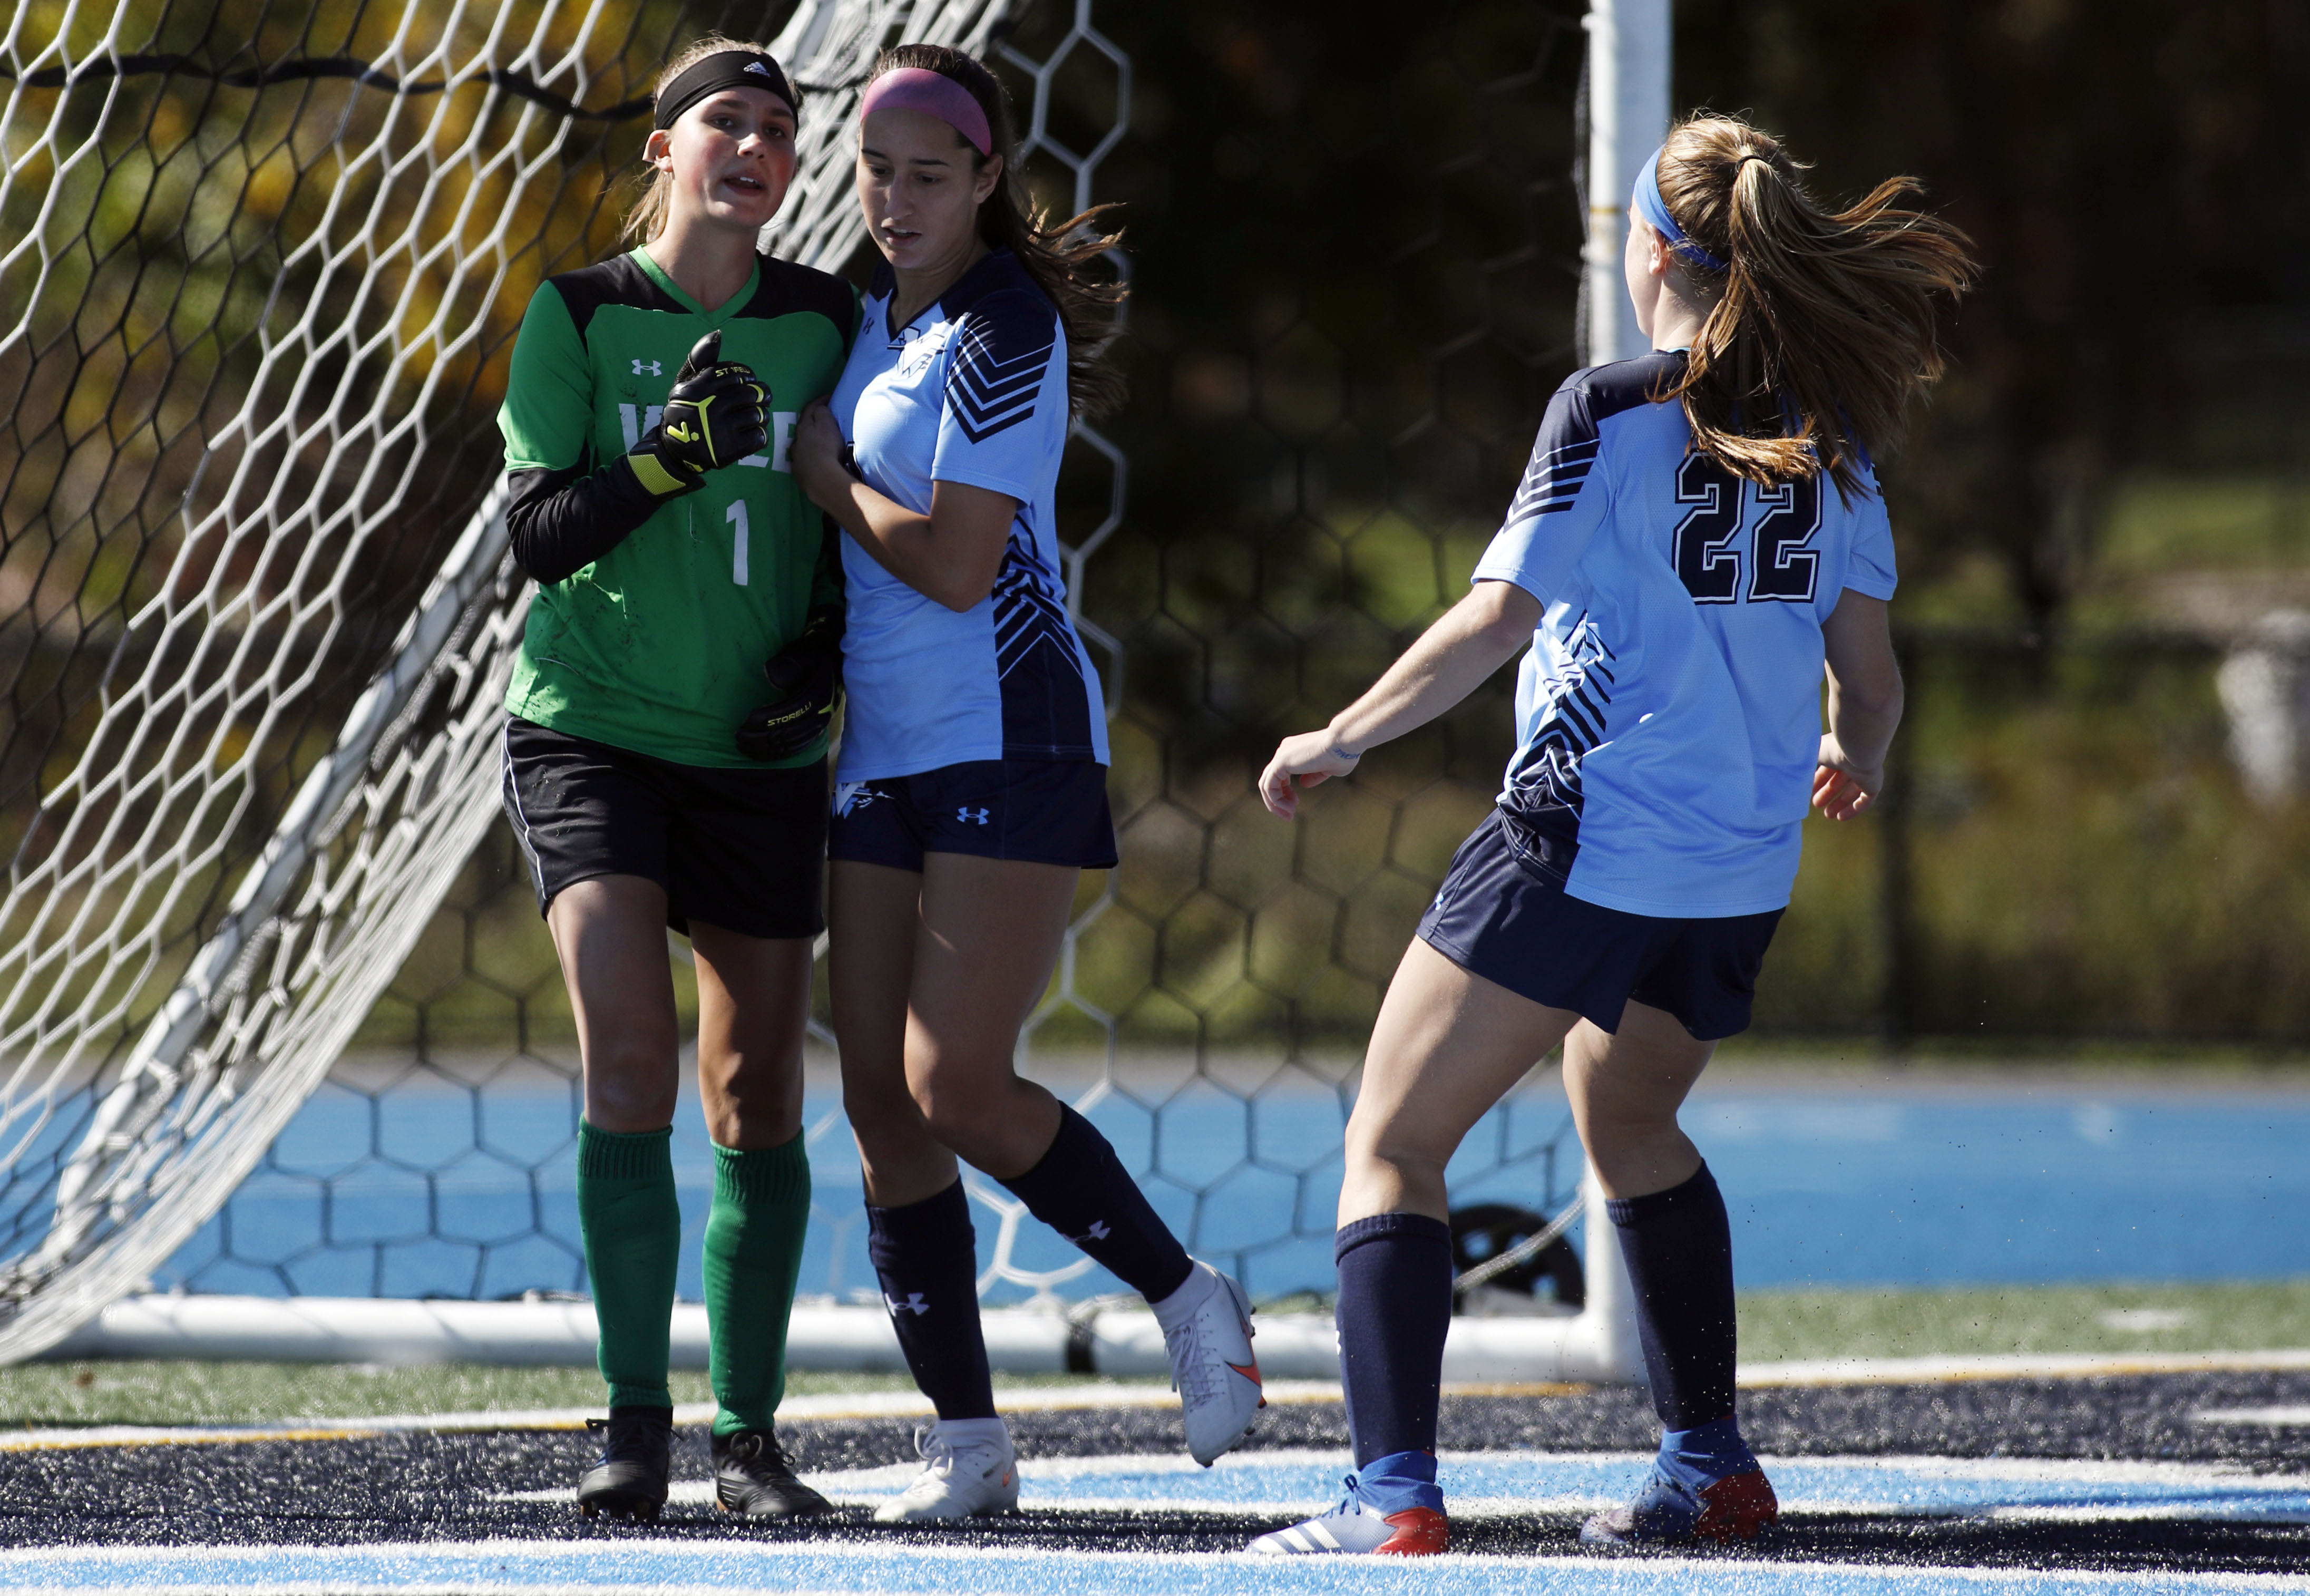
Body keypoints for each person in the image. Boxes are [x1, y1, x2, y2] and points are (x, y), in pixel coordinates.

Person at [1244, 116, 1975, 1557]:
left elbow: (1496, 620)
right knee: (1632, 1118)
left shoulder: (1612, 405)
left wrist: (1340, 734)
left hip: (1586, 837)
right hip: (1742, 860)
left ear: (1646, 244)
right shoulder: (1837, 434)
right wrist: (1856, 758)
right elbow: (1875, 680)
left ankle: (1391, 1492)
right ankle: (1711, 1457)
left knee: (1392, 1139)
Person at [790, 43, 1264, 1523]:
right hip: (882, 754)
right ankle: (973, 1447)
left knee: (956, 1081)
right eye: (879, 170)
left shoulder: (1009, 328)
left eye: (931, 172)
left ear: (990, 177)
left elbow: (954, 561)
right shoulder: (862, 315)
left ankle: (1189, 1298)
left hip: (1012, 735)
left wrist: (827, 485)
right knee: (879, 1097)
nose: (897, 196)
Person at [495, 35, 859, 1523]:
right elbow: (534, 538)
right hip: (591, 731)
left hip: (761, 757)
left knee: (758, 1087)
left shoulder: (834, 321)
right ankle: (633, 1423)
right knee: (630, 1056)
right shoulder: (578, 312)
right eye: (729, 119)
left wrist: (828, 641)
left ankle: (750, 1438)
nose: (756, 144)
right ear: (664, 146)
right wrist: (662, 463)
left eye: (779, 126)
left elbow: (865, 505)